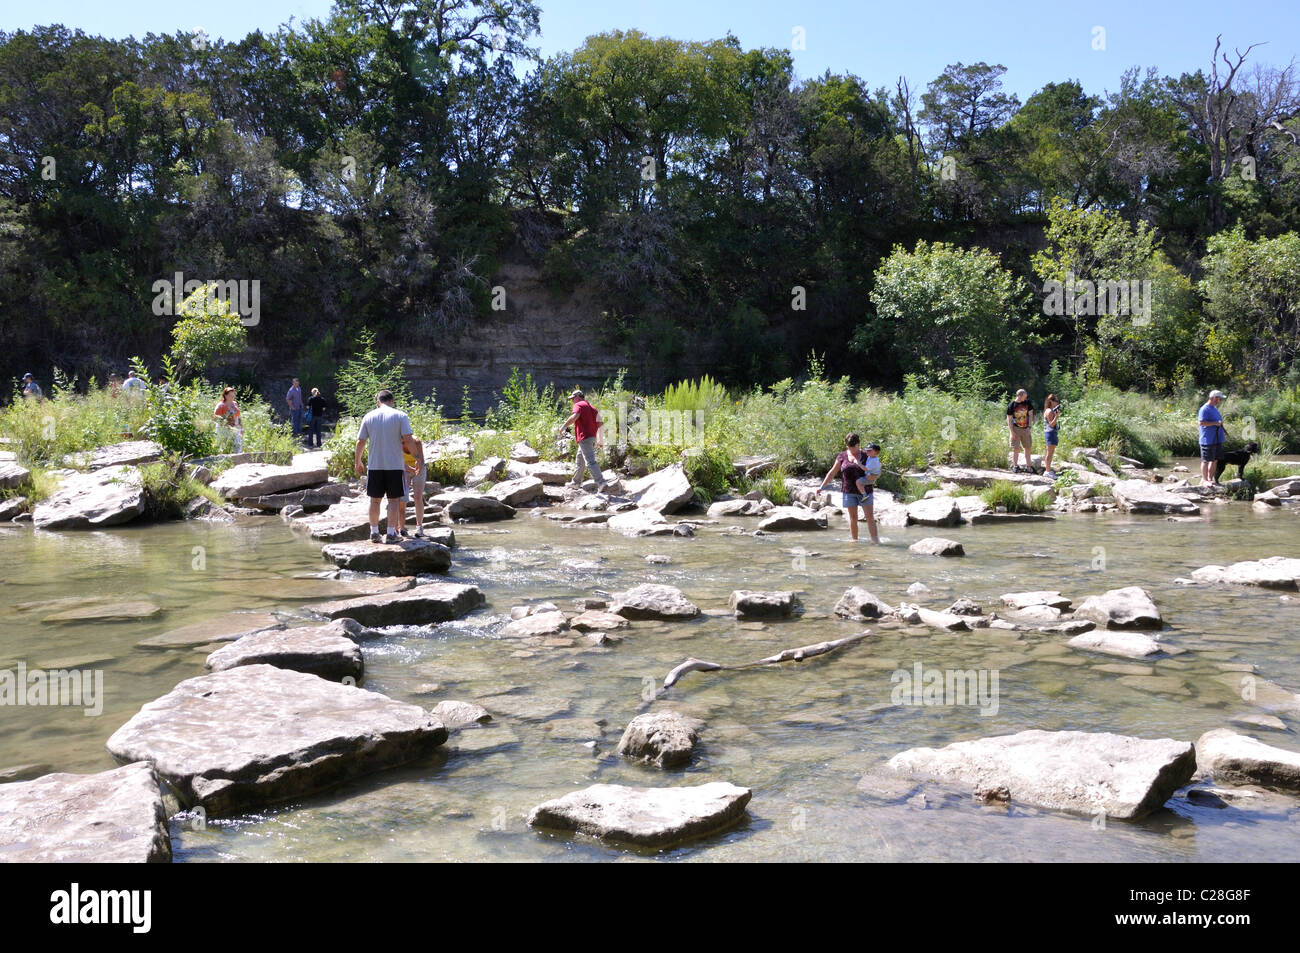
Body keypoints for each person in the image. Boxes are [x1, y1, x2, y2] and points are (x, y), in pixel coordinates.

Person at [355, 390, 419, 544]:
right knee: (393, 501)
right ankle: (391, 534)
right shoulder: (400, 415)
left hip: (375, 466)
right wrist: (418, 458)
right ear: (392, 400)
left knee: (374, 501)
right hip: (394, 465)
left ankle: (374, 532)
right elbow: (408, 439)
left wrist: (357, 461)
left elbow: (360, 441)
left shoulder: (369, 416)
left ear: (378, 401)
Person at [817, 433, 880, 544]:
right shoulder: (842, 456)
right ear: (846, 445)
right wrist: (821, 487)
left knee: (869, 517)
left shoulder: (867, 454)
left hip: (865, 490)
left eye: (854, 447)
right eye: (849, 447)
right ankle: (854, 541)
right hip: (848, 491)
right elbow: (832, 472)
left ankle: (876, 541)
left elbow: (876, 468)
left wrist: (875, 476)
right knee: (853, 518)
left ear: (858, 444)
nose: (852, 449)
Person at [559, 389, 607, 493]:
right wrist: (600, 439)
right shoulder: (592, 407)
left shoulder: (579, 404)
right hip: (591, 437)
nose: (572, 401)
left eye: (573, 398)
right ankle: (575, 483)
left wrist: (563, 427)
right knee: (580, 460)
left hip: (584, 437)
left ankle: (601, 482)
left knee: (590, 461)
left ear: (578, 397)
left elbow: (574, 417)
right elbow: (600, 423)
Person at [400, 434, 428, 538]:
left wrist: (418, 464)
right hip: (404, 469)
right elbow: (399, 462)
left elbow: (422, 460)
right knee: (402, 498)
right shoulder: (396, 442)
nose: (403, 444)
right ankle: (402, 528)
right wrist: (410, 469)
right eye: (402, 442)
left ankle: (419, 527)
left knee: (417, 496)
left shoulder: (417, 442)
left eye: (405, 442)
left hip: (419, 469)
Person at [1198, 389, 1228, 486]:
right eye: (1220, 399)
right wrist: (1215, 423)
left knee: (1215, 460)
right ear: (1215, 398)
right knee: (1205, 460)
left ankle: (1210, 479)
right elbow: (1201, 423)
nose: (1220, 401)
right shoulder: (1204, 409)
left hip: (1217, 439)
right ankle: (1205, 480)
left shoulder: (1214, 408)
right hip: (1207, 439)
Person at [1006, 388, 1036, 473]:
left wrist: (1029, 427)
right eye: (1024, 396)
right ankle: (1015, 466)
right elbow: (1009, 419)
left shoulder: (1027, 403)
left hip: (1026, 428)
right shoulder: (1011, 405)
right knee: (1016, 448)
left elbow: (1030, 414)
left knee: (1027, 447)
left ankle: (1029, 467)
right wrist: (1011, 432)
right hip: (1016, 429)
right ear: (1019, 396)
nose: (1025, 398)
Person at [214, 387, 243, 453]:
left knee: (237, 445)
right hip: (224, 429)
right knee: (224, 446)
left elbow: (238, 417)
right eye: (230, 395)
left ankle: (237, 460)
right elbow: (216, 418)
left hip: (235, 428)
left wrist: (241, 427)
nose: (232, 397)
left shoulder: (235, 404)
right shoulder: (221, 405)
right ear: (225, 395)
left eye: (233, 395)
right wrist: (226, 425)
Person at [1042, 394, 1061, 478]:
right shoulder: (1049, 411)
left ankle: (1048, 470)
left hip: (1050, 433)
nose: (1057, 403)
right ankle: (1048, 471)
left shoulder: (1048, 410)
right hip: (1050, 433)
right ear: (1051, 402)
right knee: (1049, 453)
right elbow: (1052, 424)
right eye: (1056, 401)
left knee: (1049, 452)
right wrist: (1056, 416)